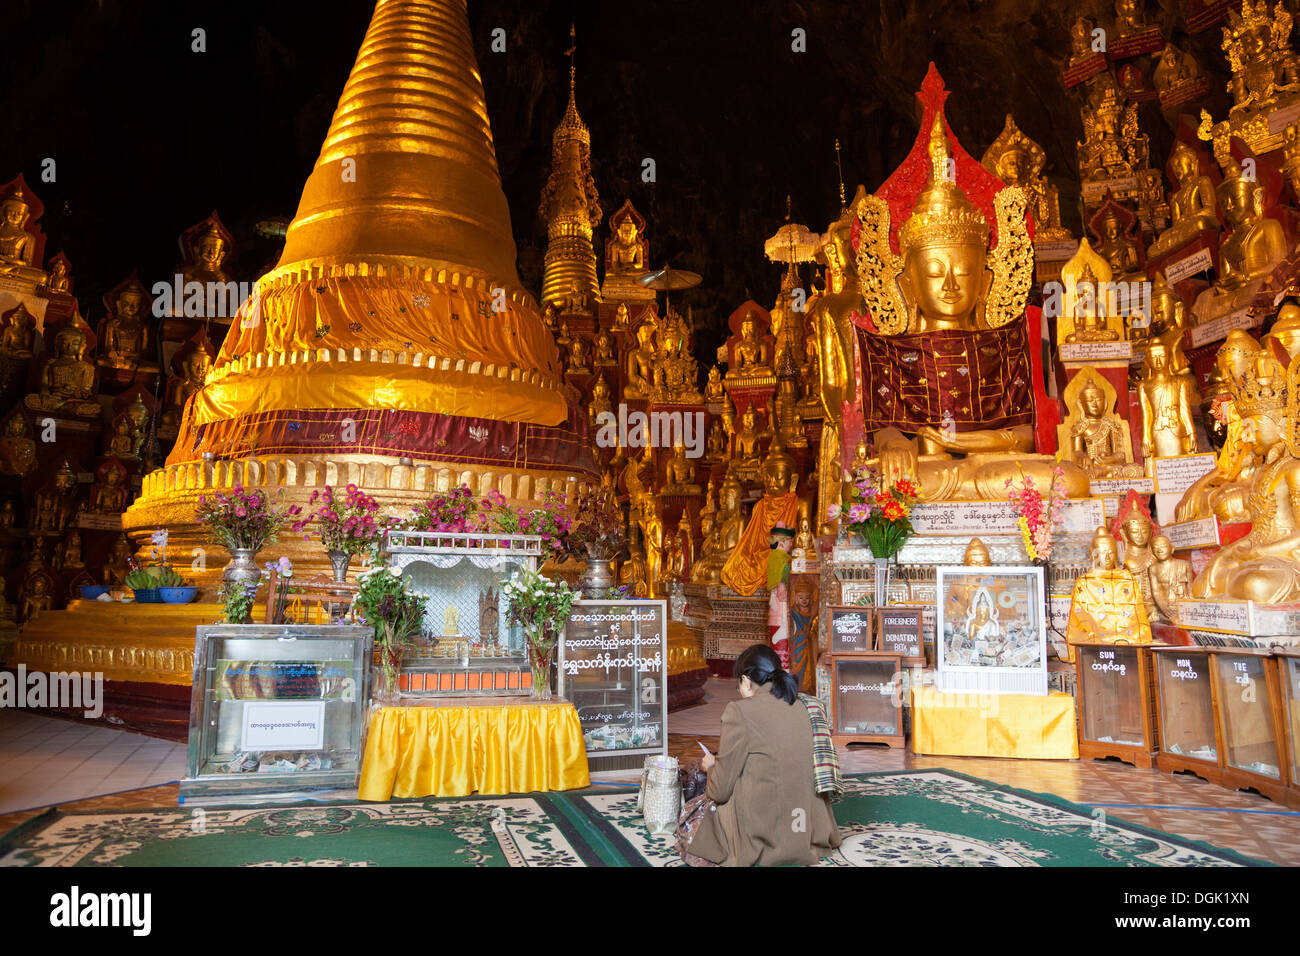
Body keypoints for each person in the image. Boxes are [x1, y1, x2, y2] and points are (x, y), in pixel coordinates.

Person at [681, 645, 842, 866]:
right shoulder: (806, 704)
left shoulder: (739, 711)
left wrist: (711, 766)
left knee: (692, 819)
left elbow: (719, 792)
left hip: (760, 834)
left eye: (738, 683)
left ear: (746, 681)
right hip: (807, 829)